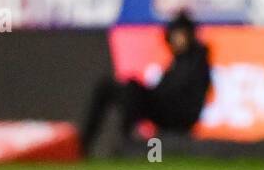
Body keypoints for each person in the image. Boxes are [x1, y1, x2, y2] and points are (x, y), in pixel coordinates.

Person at [80, 11, 210, 157]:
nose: (176, 39)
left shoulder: (197, 61)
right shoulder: (178, 60)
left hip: (177, 116)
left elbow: (180, 95)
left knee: (132, 89)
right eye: (174, 35)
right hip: (163, 107)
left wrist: (148, 94)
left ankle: (126, 141)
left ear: (190, 35)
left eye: (180, 34)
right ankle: (82, 147)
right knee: (107, 87)